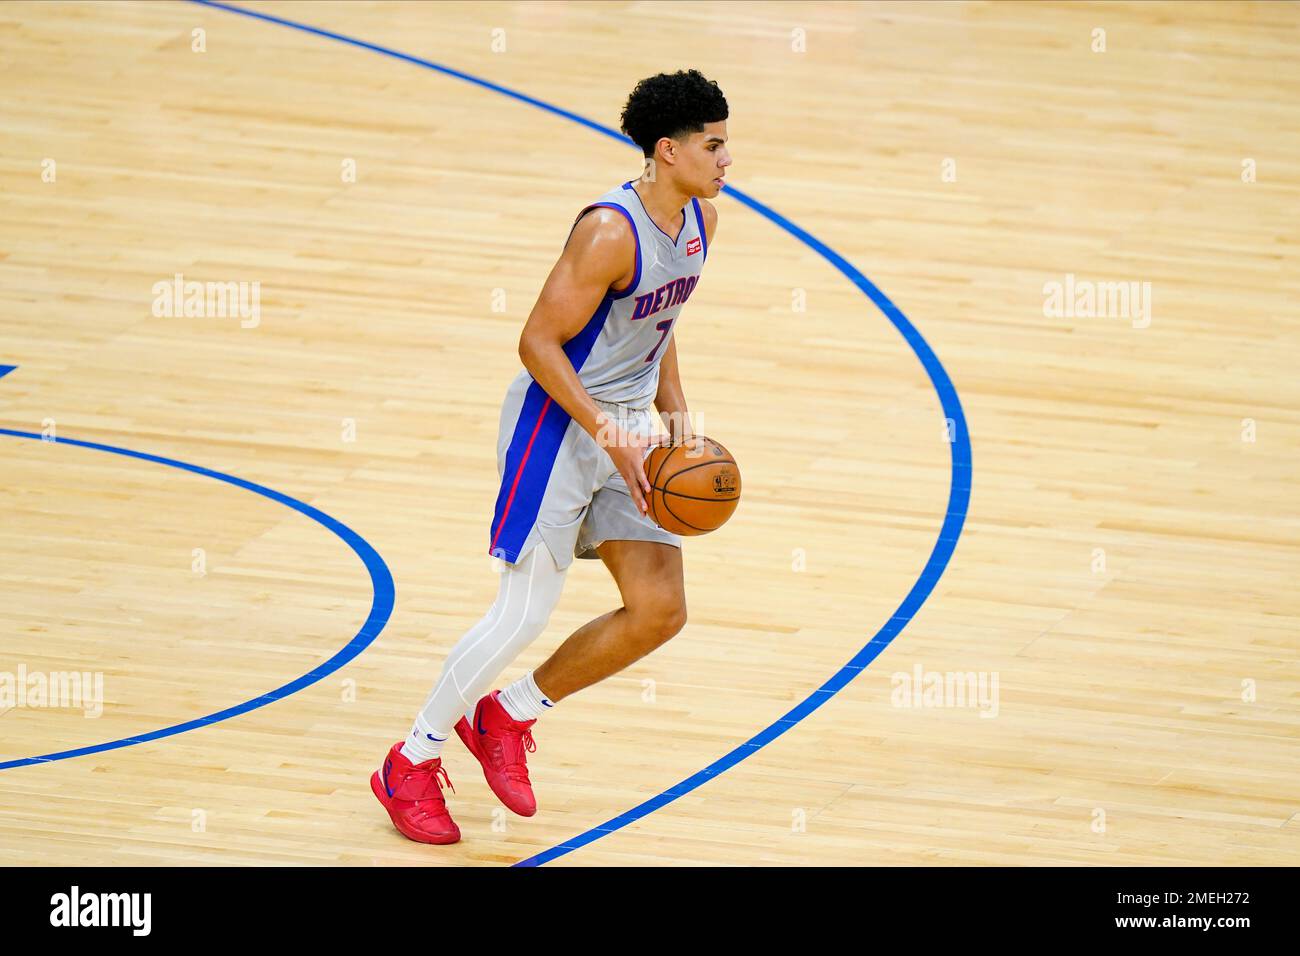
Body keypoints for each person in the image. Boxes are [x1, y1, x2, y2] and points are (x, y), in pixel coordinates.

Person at [372, 69, 731, 844]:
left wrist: (672, 410)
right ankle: (409, 762)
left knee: (660, 610)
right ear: (667, 151)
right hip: (561, 428)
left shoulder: (703, 216)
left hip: (632, 429)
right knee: (522, 611)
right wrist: (608, 431)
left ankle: (506, 716)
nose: (726, 159)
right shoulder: (608, 230)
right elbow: (537, 342)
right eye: (714, 145)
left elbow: (659, 319)